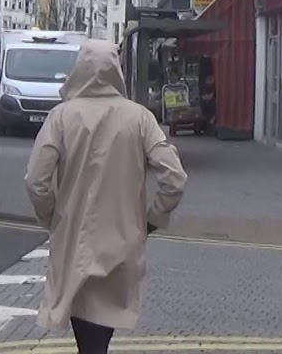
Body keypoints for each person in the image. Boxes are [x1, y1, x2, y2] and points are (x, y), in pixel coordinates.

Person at [23, 39, 188, 354]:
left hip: (74, 239)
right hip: (122, 238)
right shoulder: (140, 118)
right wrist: (152, 219)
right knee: (100, 331)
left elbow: (35, 181)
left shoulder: (61, 117)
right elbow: (175, 177)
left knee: (86, 329)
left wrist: (52, 218)